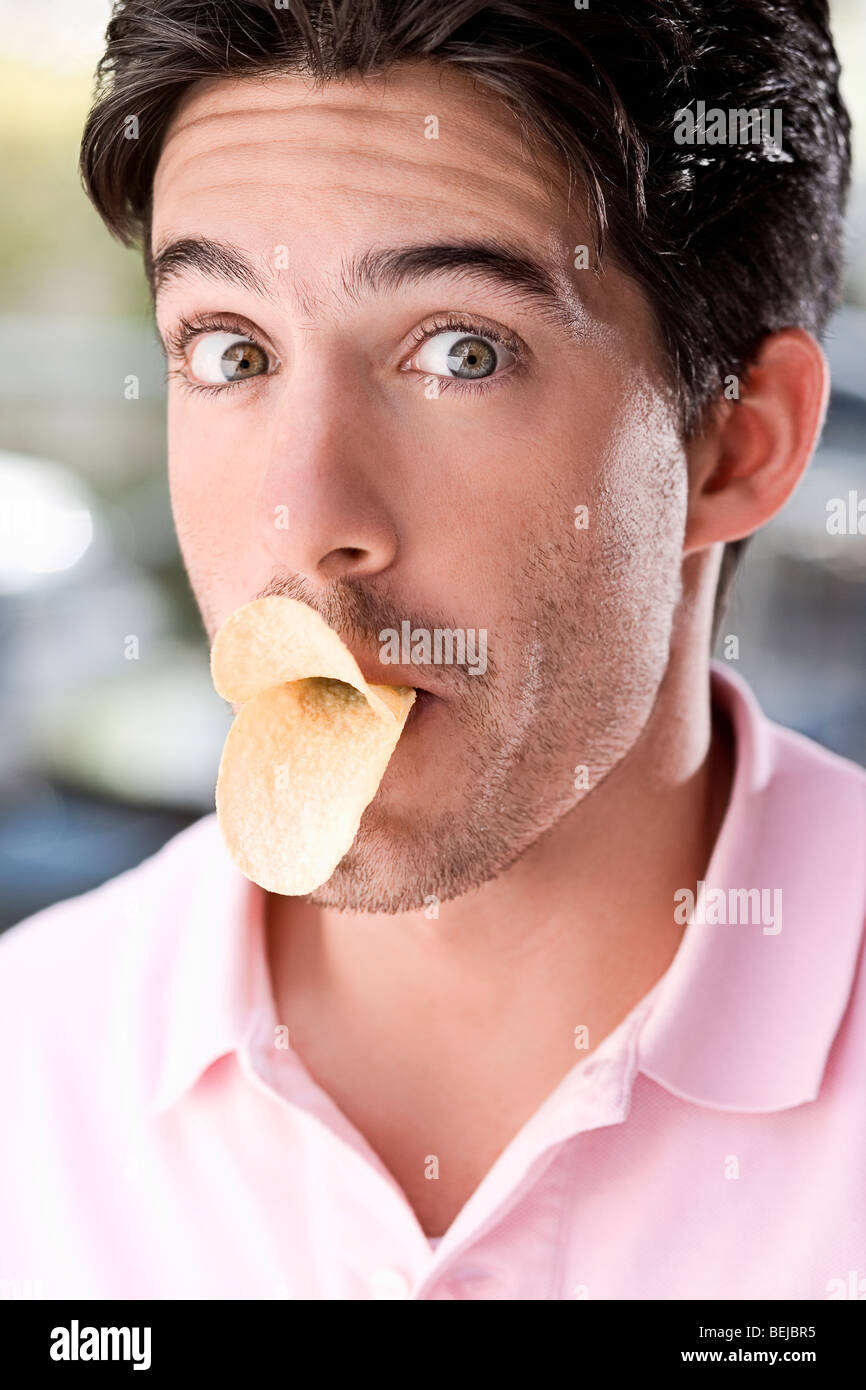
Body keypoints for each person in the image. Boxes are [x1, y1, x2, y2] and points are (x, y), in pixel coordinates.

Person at [1, 0, 862, 1300]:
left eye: (461, 351)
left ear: (735, 443)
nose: (306, 524)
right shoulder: (31, 1068)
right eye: (230, 351)